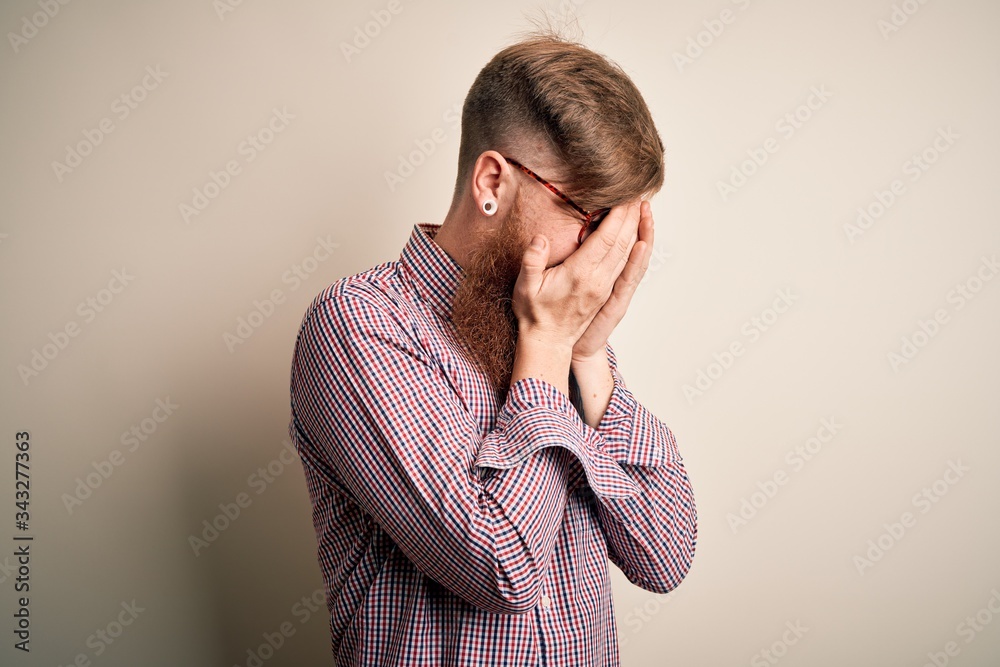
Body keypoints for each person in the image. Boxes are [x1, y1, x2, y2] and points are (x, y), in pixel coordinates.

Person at [288, 29, 697, 666]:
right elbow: (501, 567)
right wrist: (552, 346)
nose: (599, 258)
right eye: (587, 215)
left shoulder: (553, 335)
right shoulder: (359, 327)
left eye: (616, 228)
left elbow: (665, 554)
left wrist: (587, 357)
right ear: (491, 182)